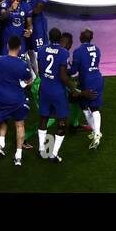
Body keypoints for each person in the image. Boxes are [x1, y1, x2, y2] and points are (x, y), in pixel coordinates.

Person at [36, 27, 87, 162]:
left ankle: (41, 150)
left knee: (43, 118)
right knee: (62, 122)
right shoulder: (63, 53)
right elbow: (63, 77)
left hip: (45, 88)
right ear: (59, 39)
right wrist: (74, 90)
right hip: (57, 90)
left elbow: (40, 70)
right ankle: (53, 154)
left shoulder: (41, 50)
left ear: (49, 37)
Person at [0, 36, 33, 165]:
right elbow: (28, 81)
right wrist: (27, 84)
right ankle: (18, 156)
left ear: (7, 46)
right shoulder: (23, 65)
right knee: (20, 125)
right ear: (20, 48)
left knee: (3, 118)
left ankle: (1, 144)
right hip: (17, 99)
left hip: (2, 97)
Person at [70, 28, 104, 149]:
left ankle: (96, 134)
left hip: (86, 81)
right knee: (86, 107)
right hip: (97, 79)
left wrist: (65, 70)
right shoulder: (97, 49)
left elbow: (73, 71)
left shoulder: (78, 51)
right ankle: (96, 133)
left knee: (89, 108)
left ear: (81, 38)